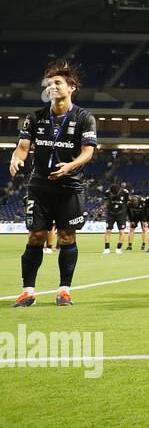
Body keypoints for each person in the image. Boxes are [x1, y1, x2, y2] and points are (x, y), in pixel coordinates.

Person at [9, 61, 97, 307]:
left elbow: (88, 151)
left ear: (72, 87)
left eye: (57, 83)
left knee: (67, 237)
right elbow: (23, 148)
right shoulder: (35, 118)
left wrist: (70, 166)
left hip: (70, 187)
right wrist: (16, 159)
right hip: (39, 187)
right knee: (36, 235)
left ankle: (64, 290)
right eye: (49, 84)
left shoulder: (84, 118)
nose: (51, 87)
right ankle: (28, 291)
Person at [102, 182, 128, 254]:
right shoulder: (108, 192)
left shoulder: (125, 192)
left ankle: (118, 248)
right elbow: (106, 200)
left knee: (122, 232)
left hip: (121, 215)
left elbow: (126, 201)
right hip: (110, 214)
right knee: (108, 231)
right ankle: (106, 248)